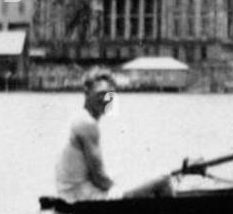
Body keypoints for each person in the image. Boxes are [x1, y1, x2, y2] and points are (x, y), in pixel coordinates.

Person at [55, 68, 175, 202]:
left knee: (130, 175)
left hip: (71, 194)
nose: (106, 99)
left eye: (110, 94)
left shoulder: (78, 118)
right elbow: (99, 178)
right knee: (164, 179)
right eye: (100, 94)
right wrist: (122, 188)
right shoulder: (87, 124)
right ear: (87, 92)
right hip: (83, 198)